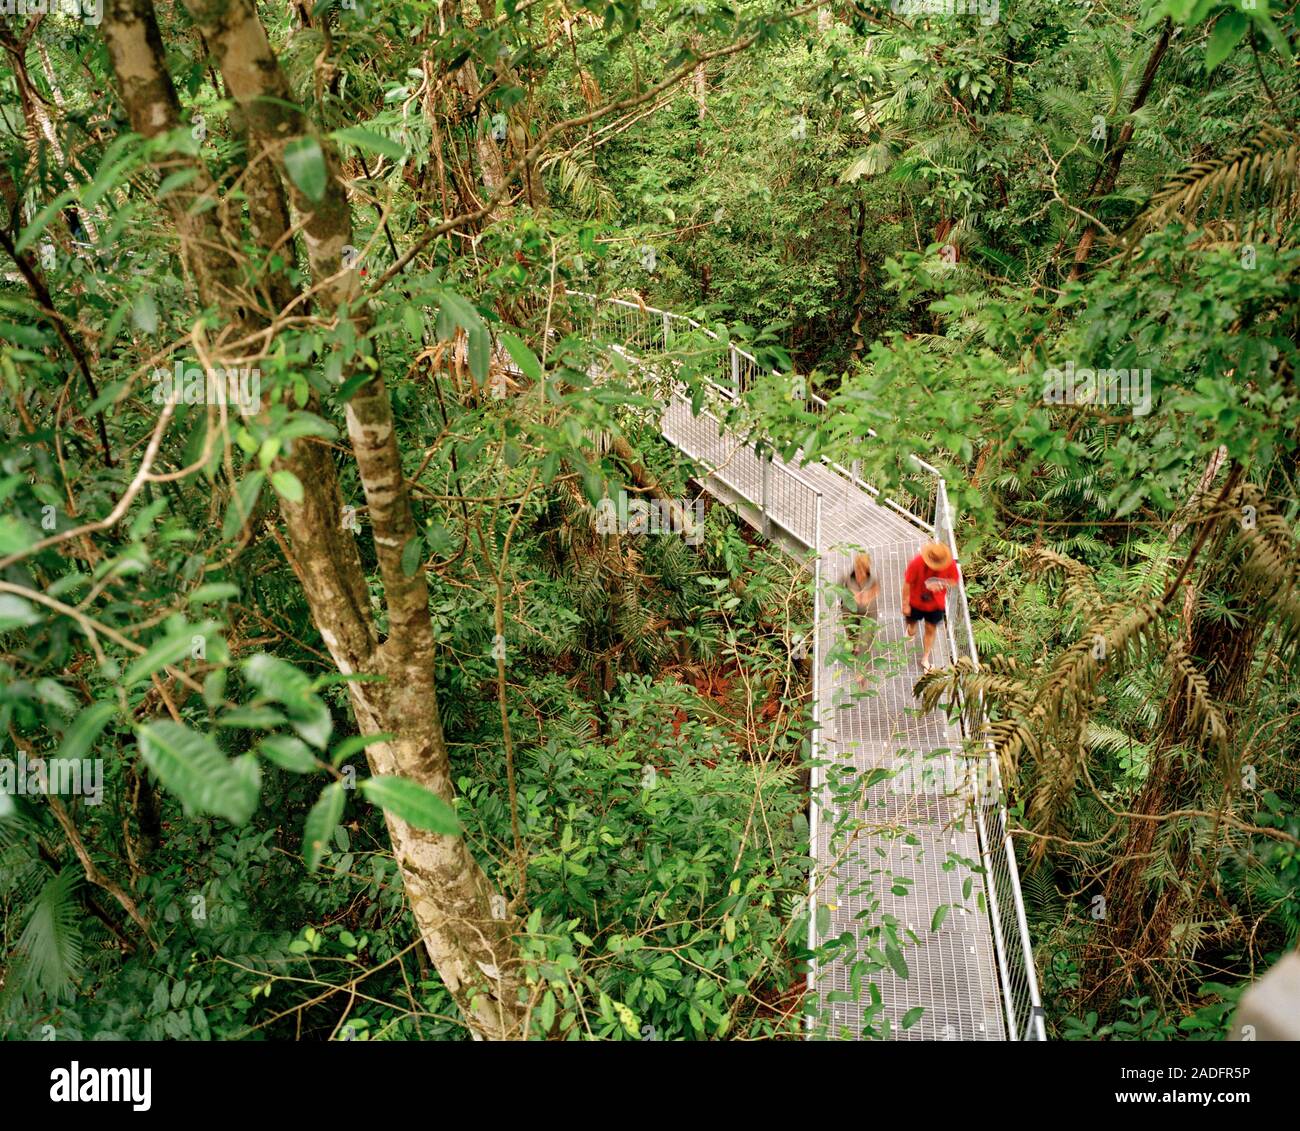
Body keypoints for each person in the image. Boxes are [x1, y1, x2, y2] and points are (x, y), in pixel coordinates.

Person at [902, 541, 959, 672]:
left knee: (930, 629)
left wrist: (941, 582)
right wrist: (905, 604)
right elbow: (907, 583)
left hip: (935, 604)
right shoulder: (917, 562)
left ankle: (925, 658)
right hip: (915, 601)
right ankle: (911, 631)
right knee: (912, 625)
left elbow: (954, 579)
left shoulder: (948, 563)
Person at [842, 552, 880, 672]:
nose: (861, 573)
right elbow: (838, 588)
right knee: (851, 634)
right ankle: (854, 646)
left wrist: (867, 597)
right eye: (859, 569)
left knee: (866, 638)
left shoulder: (873, 576)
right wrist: (851, 595)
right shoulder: (847, 575)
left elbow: (876, 590)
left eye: (864, 569)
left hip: (868, 611)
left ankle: (862, 668)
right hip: (849, 609)